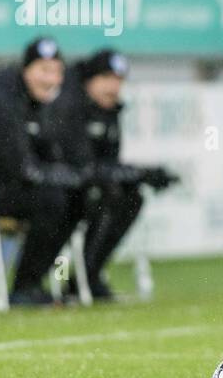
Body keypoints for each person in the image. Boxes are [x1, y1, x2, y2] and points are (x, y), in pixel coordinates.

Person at [0, 37, 88, 306]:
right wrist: (67, 176)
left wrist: (78, 177)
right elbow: (23, 170)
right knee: (52, 199)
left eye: (57, 71)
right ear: (25, 71)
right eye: (44, 70)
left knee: (76, 200)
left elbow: (44, 162)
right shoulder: (1, 107)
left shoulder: (36, 109)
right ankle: (24, 286)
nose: (52, 79)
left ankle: (37, 282)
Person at [44, 48, 176, 301]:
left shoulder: (109, 113)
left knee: (130, 196)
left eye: (118, 80)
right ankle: (72, 281)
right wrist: (139, 173)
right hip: (59, 191)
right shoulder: (69, 108)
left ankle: (88, 276)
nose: (113, 87)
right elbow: (83, 166)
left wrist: (138, 176)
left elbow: (108, 164)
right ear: (90, 80)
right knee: (110, 195)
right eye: (106, 79)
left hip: (86, 189)